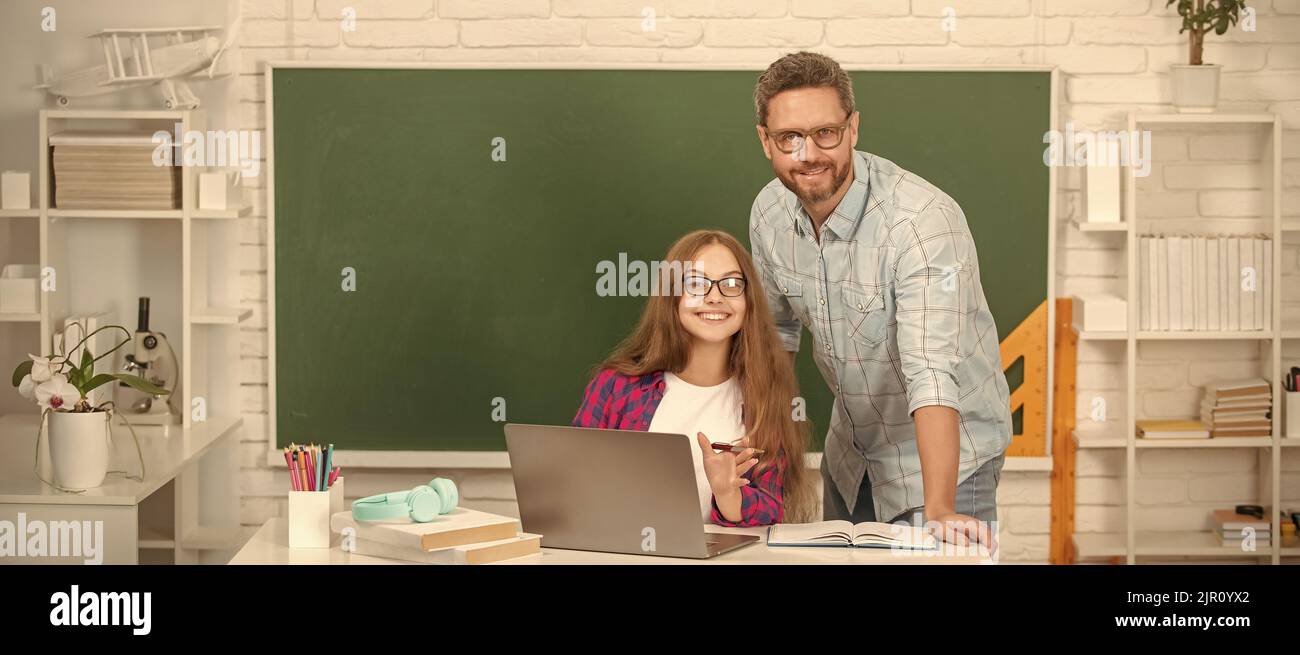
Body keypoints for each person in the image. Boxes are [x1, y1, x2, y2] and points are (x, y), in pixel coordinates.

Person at [748, 52, 1011, 546]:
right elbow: (775, 338)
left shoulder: (921, 222)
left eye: (826, 132)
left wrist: (939, 510)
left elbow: (930, 370)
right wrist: (767, 454)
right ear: (767, 141)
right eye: (790, 138)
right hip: (852, 453)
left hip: (944, 466)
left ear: (853, 128)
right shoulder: (768, 214)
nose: (809, 154)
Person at [572, 230, 814, 526]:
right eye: (696, 284)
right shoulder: (616, 386)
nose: (715, 297)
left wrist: (728, 493)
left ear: (748, 299)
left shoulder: (765, 395)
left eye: (731, 284)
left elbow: (771, 506)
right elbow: (575, 485)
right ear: (672, 296)